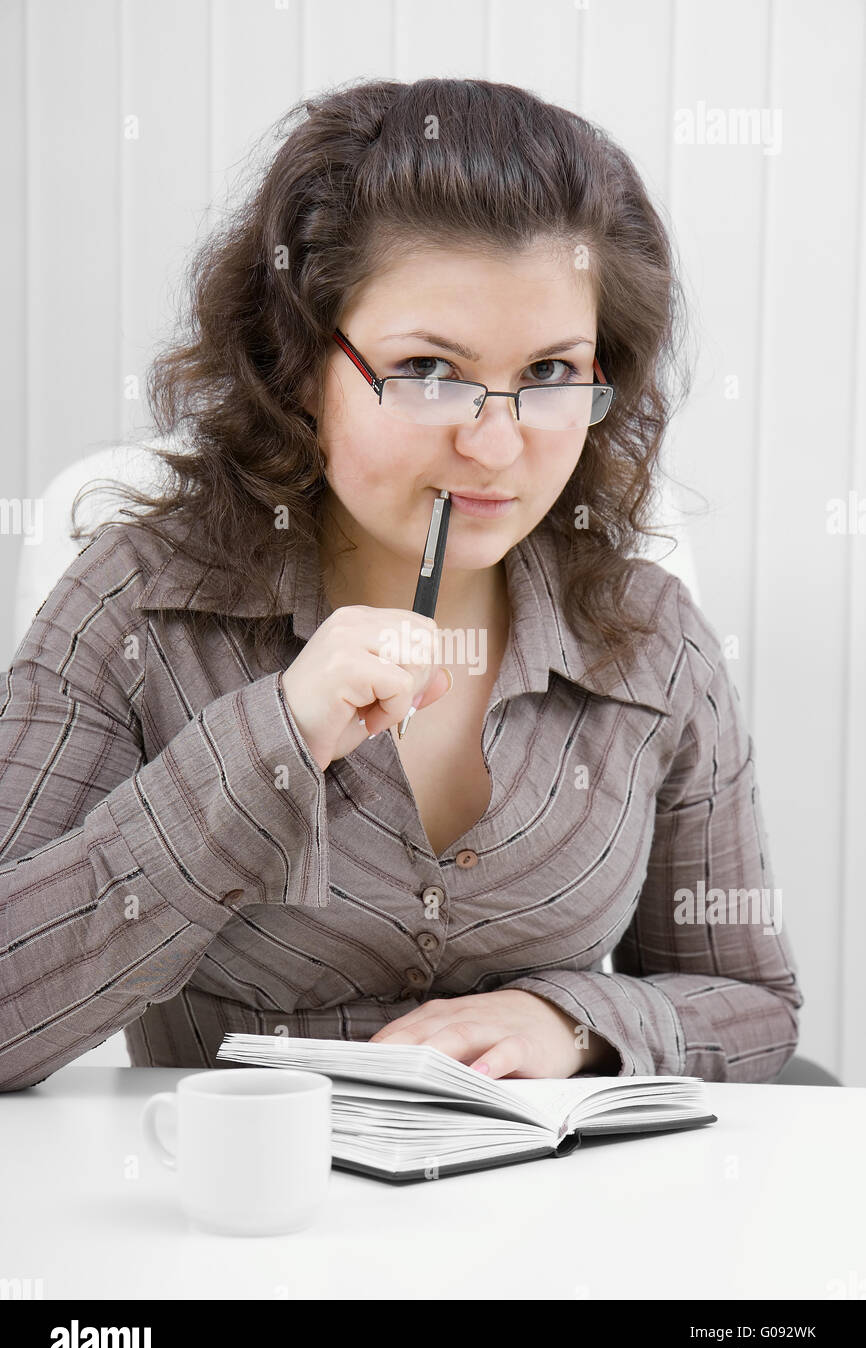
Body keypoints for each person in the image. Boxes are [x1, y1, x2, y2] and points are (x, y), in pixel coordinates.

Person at [0, 77, 801, 1092]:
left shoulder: (651, 637)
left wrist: (572, 1020)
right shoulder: (136, 605)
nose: (495, 444)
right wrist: (269, 742)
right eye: (428, 368)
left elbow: (753, 1008)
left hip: (555, 1233)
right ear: (297, 362)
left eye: (551, 373)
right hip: (234, 1236)